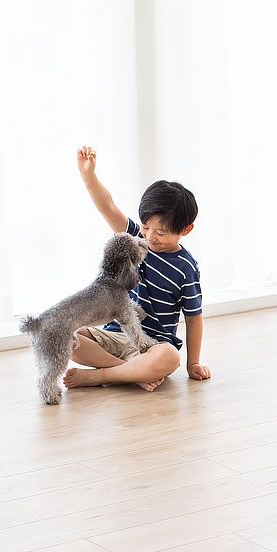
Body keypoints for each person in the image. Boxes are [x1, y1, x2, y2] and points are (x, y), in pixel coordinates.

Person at [63, 145, 211, 391]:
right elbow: (107, 207)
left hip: (152, 346)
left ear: (186, 230)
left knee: (170, 357)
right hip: (115, 336)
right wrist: (88, 175)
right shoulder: (135, 239)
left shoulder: (186, 268)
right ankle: (128, 373)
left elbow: (194, 318)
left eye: (161, 232)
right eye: (146, 226)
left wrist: (192, 363)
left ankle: (99, 376)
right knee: (65, 334)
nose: (150, 237)